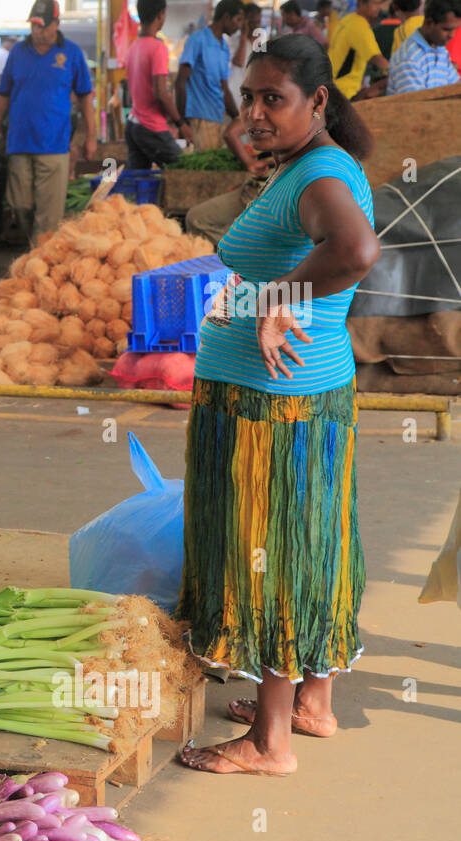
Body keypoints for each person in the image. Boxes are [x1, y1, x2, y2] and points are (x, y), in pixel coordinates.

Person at [177, 33, 378, 779]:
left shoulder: (321, 175)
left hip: (273, 410)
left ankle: (269, 744)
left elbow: (356, 251)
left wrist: (282, 296)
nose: (255, 112)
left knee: (274, 559)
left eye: (274, 99)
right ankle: (310, 705)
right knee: (310, 543)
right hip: (299, 400)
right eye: (248, 97)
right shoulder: (307, 165)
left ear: (317, 102)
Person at [0, 0, 95, 246]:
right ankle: (35, 251)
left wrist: (90, 136)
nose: (37, 32)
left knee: (48, 218)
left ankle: (38, 263)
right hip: (19, 144)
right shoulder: (18, 52)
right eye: (34, 26)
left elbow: (86, 97)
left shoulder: (72, 53)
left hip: (54, 147)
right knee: (20, 205)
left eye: (43, 27)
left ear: (56, 24)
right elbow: (3, 95)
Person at [184, 112, 274, 245]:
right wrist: (250, 163)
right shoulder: (265, 110)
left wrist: (250, 163)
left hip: (271, 198)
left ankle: (250, 252)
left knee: (196, 219)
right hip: (254, 190)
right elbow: (230, 133)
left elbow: (230, 133)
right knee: (196, 218)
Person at [124, 0, 192, 169]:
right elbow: (161, 93)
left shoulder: (133, 47)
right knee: (182, 170)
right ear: (161, 15)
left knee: (139, 180)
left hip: (133, 124)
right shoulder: (158, 48)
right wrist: (180, 123)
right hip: (150, 126)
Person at [176, 0, 245, 152]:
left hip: (218, 117)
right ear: (226, 17)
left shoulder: (224, 47)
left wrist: (238, 118)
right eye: (238, 20)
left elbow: (224, 89)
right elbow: (181, 82)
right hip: (199, 117)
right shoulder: (197, 40)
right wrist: (181, 122)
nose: (239, 26)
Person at [387, 0, 461, 93]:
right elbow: (416, 104)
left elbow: (455, 87)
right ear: (429, 23)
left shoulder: (440, 50)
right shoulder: (409, 58)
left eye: (455, 29)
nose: (452, 35)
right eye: (447, 29)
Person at [328, 0, 390, 98]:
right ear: (361, 3)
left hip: (332, 87)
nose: (379, 7)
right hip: (345, 93)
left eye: (379, 4)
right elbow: (379, 61)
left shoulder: (347, 20)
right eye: (375, 4)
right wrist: (397, 74)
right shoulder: (359, 25)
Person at [227, 3, 263, 116]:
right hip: (234, 93)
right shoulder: (233, 39)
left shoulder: (261, 41)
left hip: (252, 95)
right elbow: (238, 62)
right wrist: (243, 37)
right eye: (252, 22)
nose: (256, 25)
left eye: (258, 21)